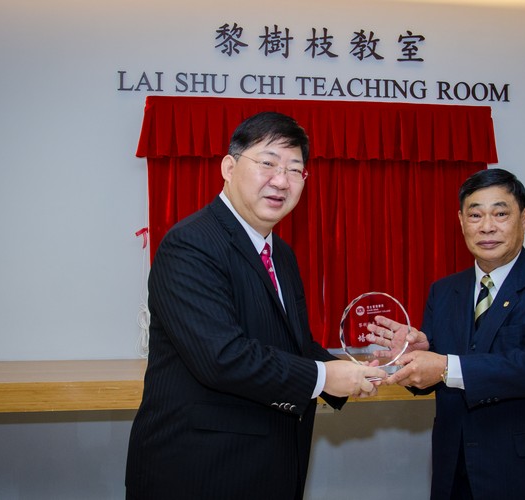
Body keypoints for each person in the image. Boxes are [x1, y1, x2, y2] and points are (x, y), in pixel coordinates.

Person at [126, 111, 386, 500]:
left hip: (269, 464)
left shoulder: (279, 252)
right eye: (267, 163)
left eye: (295, 170)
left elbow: (294, 346)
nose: (281, 180)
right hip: (201, 471)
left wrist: (356, 370)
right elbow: (222, 357)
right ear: (229, 167)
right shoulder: (191, 244)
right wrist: (322, 378)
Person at [368, 168, 525, 500]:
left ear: (523, 218)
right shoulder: (444, 291)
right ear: (461, 221)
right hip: (455, 470)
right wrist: (415, 355)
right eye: (475, 215)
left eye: (500, 213)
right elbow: (438, 372)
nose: (487, 226)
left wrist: (443, 365)